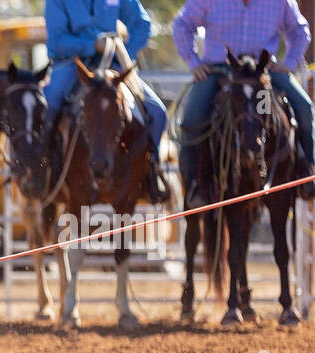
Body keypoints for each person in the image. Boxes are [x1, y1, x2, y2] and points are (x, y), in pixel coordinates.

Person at [173, 0, 315, 204]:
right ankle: (195, 185)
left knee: (303, 107)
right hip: (220, 69)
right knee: (191, 119)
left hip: (263, 72)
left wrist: (289, 62)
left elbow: (300, 30)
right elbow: (182, 24)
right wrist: (193, 62)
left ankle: (306, 173)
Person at [41, 0, 169, 203]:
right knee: (46, 107)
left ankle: (151, 172)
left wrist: (124, 49)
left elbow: (142, 24)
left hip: (115, 64)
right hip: (72, 64)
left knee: (157, 112)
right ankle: (44, 174)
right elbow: (57, 40)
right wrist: (91, 45)